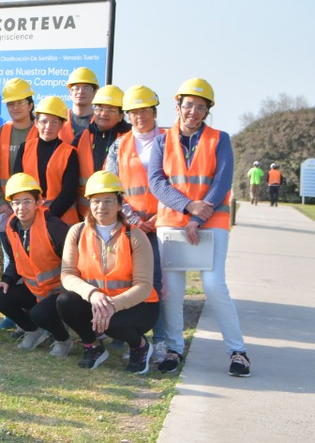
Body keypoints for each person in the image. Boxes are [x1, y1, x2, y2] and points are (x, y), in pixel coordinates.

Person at [149, 78, 250, 377]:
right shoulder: (161, 141)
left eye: (201, 107)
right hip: (172, 221)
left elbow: (222, 181)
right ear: (178, 106)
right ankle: (174, 349)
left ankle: (238, 352)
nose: (193, 111)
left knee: (214, 285)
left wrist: (197, 218)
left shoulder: (220, 139)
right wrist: (187, 207)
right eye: (189, 105)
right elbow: (156, 182)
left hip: (211, 219)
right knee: (171, 290)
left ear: (207, 111)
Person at [57, 171, 159, 372]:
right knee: (65, 302)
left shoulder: (135, 236)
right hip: (97, 301)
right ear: (89, 204)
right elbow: (67, 274)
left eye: (108, 201)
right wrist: (93, 294)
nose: (101, 206)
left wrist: (113, 305)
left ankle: (139, 346)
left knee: (113, 324)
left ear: (120, 204)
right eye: (96, 201)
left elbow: (144, 286)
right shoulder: (77, 232)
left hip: (137, 305)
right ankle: (93, 346)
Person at [105, 85, 167, 363]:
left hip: (164, 223)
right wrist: (133, 219)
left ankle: (161, 339)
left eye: (144, 110)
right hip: (130, 225)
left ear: (154, 111)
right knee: (127, 279)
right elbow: (111, 186)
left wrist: (159, 217)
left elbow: (177, 183)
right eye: (133, 112)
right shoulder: (119, 145)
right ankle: (124, 335)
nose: (139, 116)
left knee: (160, 284)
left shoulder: (169, 141)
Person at [0, 174, 73, 356]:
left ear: (38, 202)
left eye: (27, 201)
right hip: (36, 290)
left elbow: (75, 261)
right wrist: (6, 280)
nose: (21, 207)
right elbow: (16, 260)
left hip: (60, 292)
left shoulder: (53, 226)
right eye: (16, 202)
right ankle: (33, 331)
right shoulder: (12, 227)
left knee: (39, 313)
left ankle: (63, 340)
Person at [0, 77, 36, 330]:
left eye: (20, 103)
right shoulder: (1, 133)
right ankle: (12, 316)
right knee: (11, 258)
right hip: (6, 208)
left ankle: (35, 313)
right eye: (10, 104)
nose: (15, 108)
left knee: (37, 259)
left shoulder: (41, 129)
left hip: (36, 210)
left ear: (30, 104)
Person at [13, 96, 80, 224]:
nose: (49, 126)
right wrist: (32, 213)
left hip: (60, 220)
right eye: (44, 121)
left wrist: (48, 216)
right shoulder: (25, 148)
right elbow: (17, 183)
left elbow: (69, 192)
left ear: (61, 125)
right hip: (29, 216)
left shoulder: (70, 153)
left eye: (54, 122)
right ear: (36, 123)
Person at [73, 84, 130, 220]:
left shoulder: (130, 137)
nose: (104, 114)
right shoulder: (81, 138)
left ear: (121, 115)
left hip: (124, 214)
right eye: (99, 108)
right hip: (86, 214)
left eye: (111, 110)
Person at [59, 67, 99, 146]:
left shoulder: (101, 122)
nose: (80, 92)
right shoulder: (59, 119)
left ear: (95, 93)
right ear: (70, 93)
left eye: (86, 88)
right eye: (76, 88)